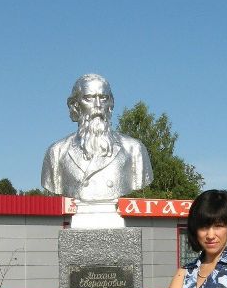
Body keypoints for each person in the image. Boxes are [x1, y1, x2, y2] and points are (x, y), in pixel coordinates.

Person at [41, 73, 153, 203]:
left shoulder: (134, 150)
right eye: (89, 98)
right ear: (75, 104)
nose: (98, 105)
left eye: (103, 98)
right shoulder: (57, 152)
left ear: (111, 103)